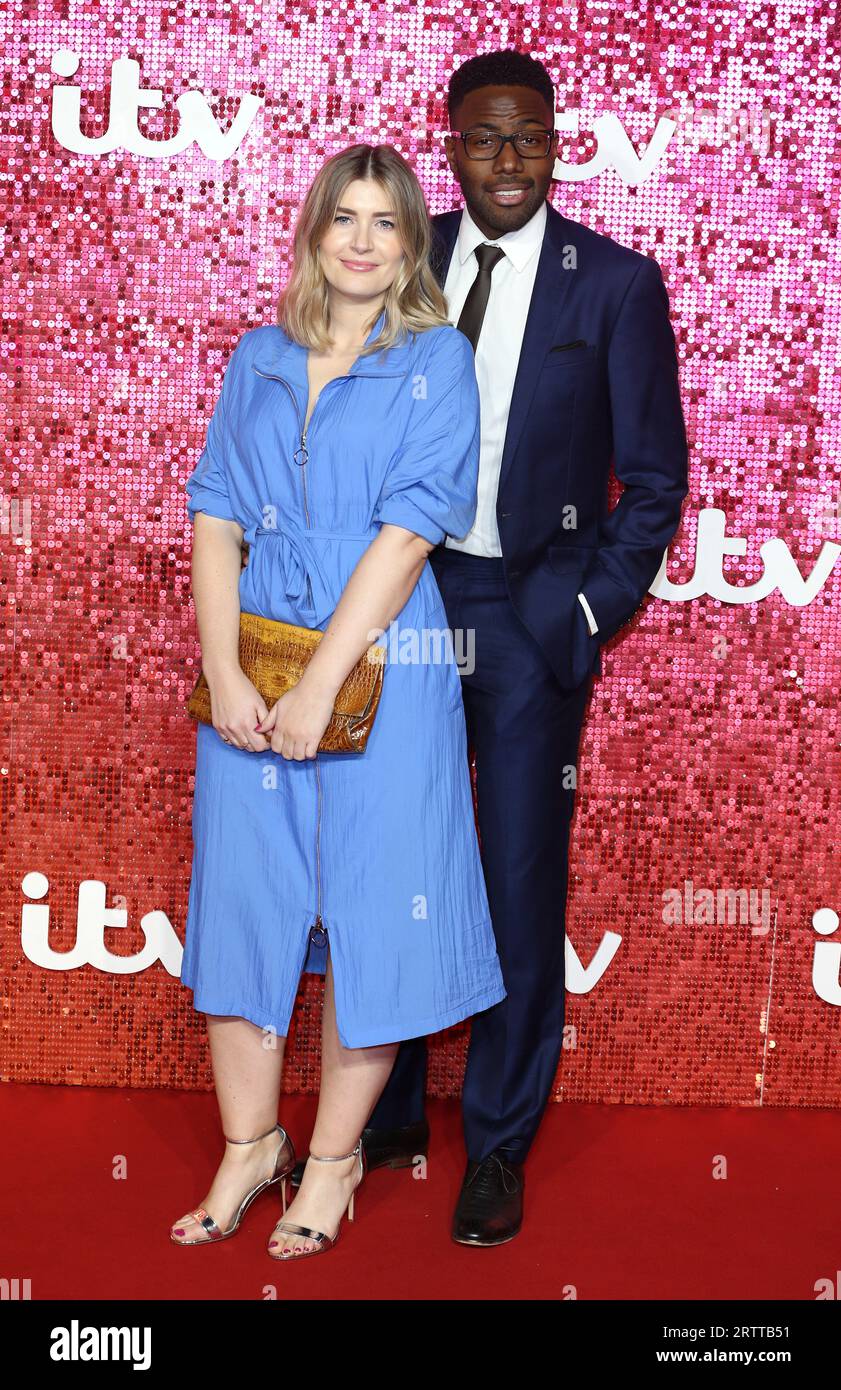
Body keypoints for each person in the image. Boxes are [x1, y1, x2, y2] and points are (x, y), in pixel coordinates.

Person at [346, 49, 689, 1245]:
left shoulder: (617, 285)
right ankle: (382, 1108)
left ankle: (495, 1142)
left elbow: (652, 485)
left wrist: (578, 612)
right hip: (401, 601)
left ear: (555, 143)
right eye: (483, 138)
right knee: (386, 857)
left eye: (527, 138)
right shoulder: (397, 256)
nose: (506, 160)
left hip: (528, 613)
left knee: (513, 875)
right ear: (447, 145)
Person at [171, 143, 507, 1260]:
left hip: (383, 673)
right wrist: (222, 671)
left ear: (413, 243)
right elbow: (216, 513)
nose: (362, 240)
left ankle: (331, 1161)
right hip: (249, 664)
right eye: (342, 218)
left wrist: (322, 682)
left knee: (369, 912)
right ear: (314, 230)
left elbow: (410, 532)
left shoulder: (435, 362)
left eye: (386, 223)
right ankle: (247, 1144)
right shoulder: (255, 358)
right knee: (246, 904)